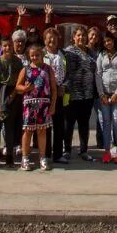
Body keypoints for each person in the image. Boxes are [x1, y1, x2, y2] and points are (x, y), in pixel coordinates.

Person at [16, 40, 55, 171]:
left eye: (37, 55)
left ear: (42, 55)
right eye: (32, 55)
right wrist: (25, 88)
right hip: (29, 105)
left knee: (42, 131)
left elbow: (54, 89)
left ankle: (43, 157)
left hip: (44, 104)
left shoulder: (48, 69)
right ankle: (25, 158)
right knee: (28, 131)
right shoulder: (25, 69)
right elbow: (17, 87)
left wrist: (53, 105)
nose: (34, 57)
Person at [0, 28, 27, 167]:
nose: (7, 48)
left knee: (10, 126)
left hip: (14, 92)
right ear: (1, 47)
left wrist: (13, 96)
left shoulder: (18, 62)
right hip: (0, 90)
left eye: (9, 46)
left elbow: (20, 81)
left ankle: (10, 156)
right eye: (4, 46)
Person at [62, 25, 98, 161]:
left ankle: (83, 151)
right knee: (69, 124)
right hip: (71, 95)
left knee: (84, 124)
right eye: (78, 35)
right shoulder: (68, 52)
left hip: (87, 95)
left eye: (83, 35)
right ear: (73, 37)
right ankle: (67, 150)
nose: (81, 38)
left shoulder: (92, 53)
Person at [95, 28, 117, 163]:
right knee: (106, 122)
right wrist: (101, 94)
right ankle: (107, 151)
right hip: (104, 94)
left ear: (114, 41)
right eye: (105, 42)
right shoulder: (101, 56)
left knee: (116, 120)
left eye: (109, 40)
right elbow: (97, 74)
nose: (107, 43)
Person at [42, 27, 70, 164]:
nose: (52, 40)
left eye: (54, 37)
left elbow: (69, 73)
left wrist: (64, 86)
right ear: (45, 40)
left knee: (59, 125)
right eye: (49, 38)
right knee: (46, 126)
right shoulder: (41, 54)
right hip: (45, 94)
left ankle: (58, 154)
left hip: (59, 94)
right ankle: (46, 154)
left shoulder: (63, 54)